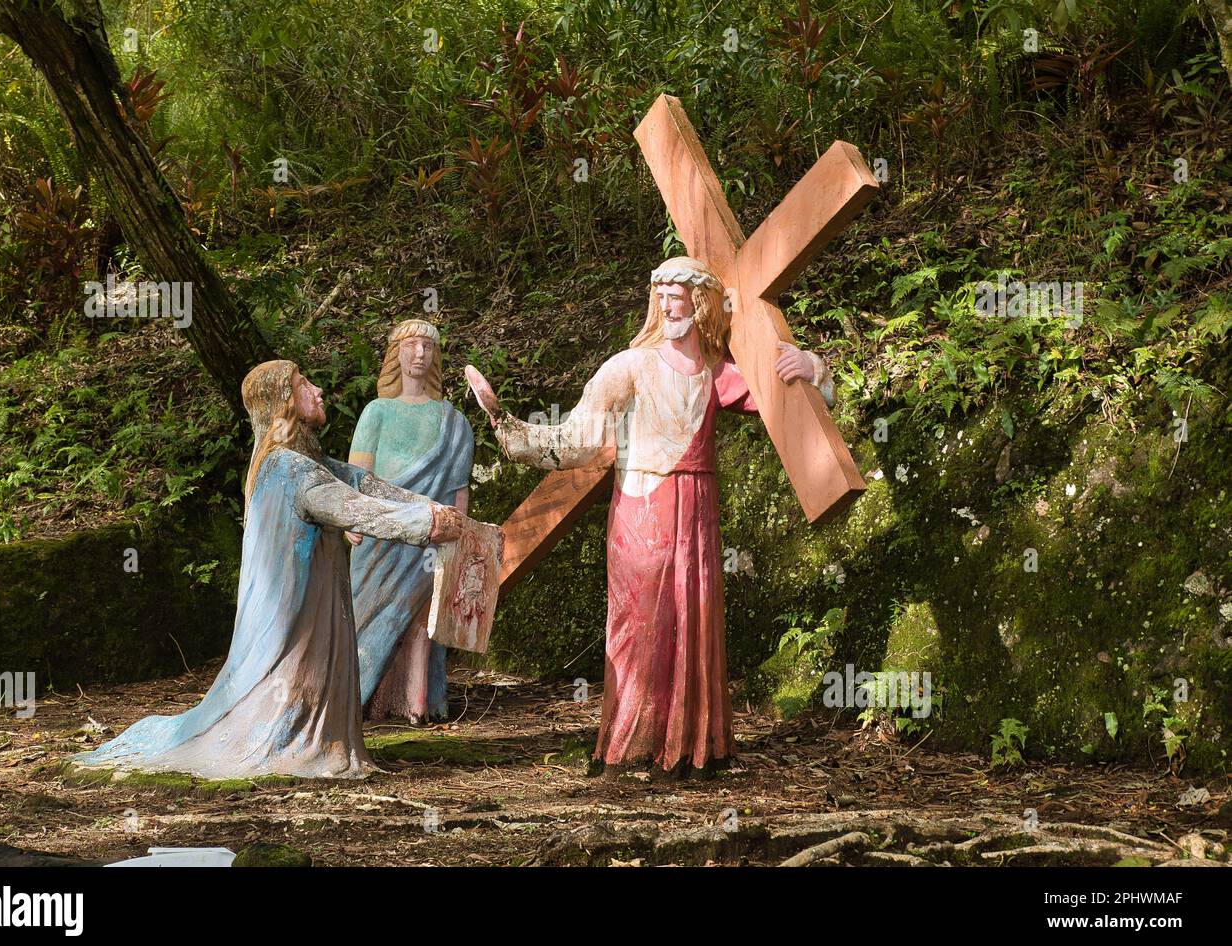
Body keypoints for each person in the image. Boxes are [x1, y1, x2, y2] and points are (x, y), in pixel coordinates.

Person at [464, 256, 834, 778]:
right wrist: (504, 421)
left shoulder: (716, 372)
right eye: (660, 295)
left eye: (678, 295)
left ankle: (692, 746)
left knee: (694, 621)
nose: (668, 304)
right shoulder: (629, 366)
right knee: (639, 625)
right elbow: (576, 439)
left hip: (698, 514)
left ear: (701, 303)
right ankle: (628, 745)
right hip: (643, 505)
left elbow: (782, 396)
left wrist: (812, 367)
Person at [71, 359, 462, 779]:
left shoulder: (309, 461)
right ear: (283, 403)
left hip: (313, 613)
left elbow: (366, 485)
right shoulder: (288, 468)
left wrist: (431, 508)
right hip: (292, 626)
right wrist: (430, 524)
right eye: (303, 384)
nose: (317, 390)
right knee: (282, 711)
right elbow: (357, 509)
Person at [348, 320, 473, 723]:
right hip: (381, 536)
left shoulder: (453, 423)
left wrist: (460, 536)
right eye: (411, 345)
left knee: (421, 619)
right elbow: (358, 478)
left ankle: (416, 702)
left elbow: (457, 491)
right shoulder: (376, 412)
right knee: (365, 615)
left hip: (430, 539)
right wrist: (354, 519)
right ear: (395, 354)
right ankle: (358, 695)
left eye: (428, 346)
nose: (420, 353)